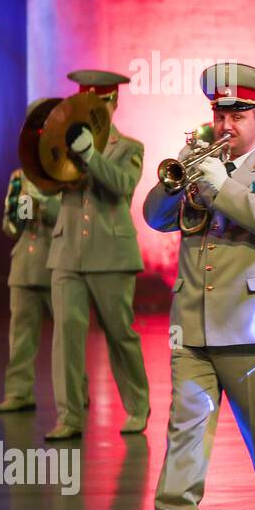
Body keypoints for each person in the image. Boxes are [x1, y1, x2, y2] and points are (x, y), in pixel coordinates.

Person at [138, 62, 255, 510]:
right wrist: (180, 178)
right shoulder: (196, 165)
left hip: (252, 324)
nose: (226, 124)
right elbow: (155, 217)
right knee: (185, 425)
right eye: (220, 113)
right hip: (193, 321)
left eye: (238, 114)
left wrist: (221, 186)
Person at [45, 70, 150, 440]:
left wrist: (90, 154)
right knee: (66, 338)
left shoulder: (130, 147)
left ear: (114, 103)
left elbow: (122, 186)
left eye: (102, 101)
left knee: (119, 333)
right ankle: (69, 416)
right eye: (87, 101)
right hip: (67, 250)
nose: (95, 108)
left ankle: (138, 407)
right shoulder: (64, 140)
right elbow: (46, 180)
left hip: (112, 253)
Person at [0, 102, 75, 413]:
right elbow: (12, 227)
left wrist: (46, 202)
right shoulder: (19, 176)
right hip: (26, 265)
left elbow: (70, 220)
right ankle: (19, 393)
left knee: (68, 336)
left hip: (60, 263)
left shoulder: (68, 175)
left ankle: (76, 393)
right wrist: (23, 209)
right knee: (21, 337)